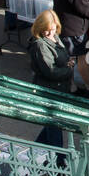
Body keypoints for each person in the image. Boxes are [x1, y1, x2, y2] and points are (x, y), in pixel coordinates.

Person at [27, 9, 73, 147]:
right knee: (54, 127)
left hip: (58, 89)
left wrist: (66, 64)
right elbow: (51, 71)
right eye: (46, 30)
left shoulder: (55, 38)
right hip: (50, 92)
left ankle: (35, 152)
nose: (50, 33)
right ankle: (59, 160)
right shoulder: (41, 45)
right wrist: (69, 68)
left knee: (51, 128)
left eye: (52, 29)